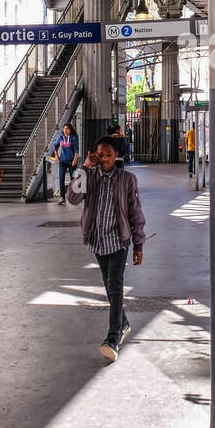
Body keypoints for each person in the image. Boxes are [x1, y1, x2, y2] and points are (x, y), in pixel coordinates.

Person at [67, 136, 147, 362]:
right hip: (97, 240)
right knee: (109, 287)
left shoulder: (126, 180)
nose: (103, 159)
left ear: (115, 156)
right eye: (100, 155)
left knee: (115, 285)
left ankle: (113, 338)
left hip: (118, 240)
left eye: (108, 155)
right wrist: (84, 168)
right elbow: (72, 198)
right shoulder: (90, 177)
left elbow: (135, 213)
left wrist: (138, 243)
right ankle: (123, 323)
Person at [51, 122, 79, 205]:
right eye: (64, 129)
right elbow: (55, 146)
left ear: (70, 130)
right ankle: (62, 197)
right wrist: (56, 156)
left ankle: (73, 196)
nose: (65, 130)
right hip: (62, 161)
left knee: (73, 180)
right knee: (61, 179)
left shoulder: (74, 138)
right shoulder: (60, 138)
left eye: (67, 128)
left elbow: (77, 150)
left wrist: (75, 160)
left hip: (71, 161)